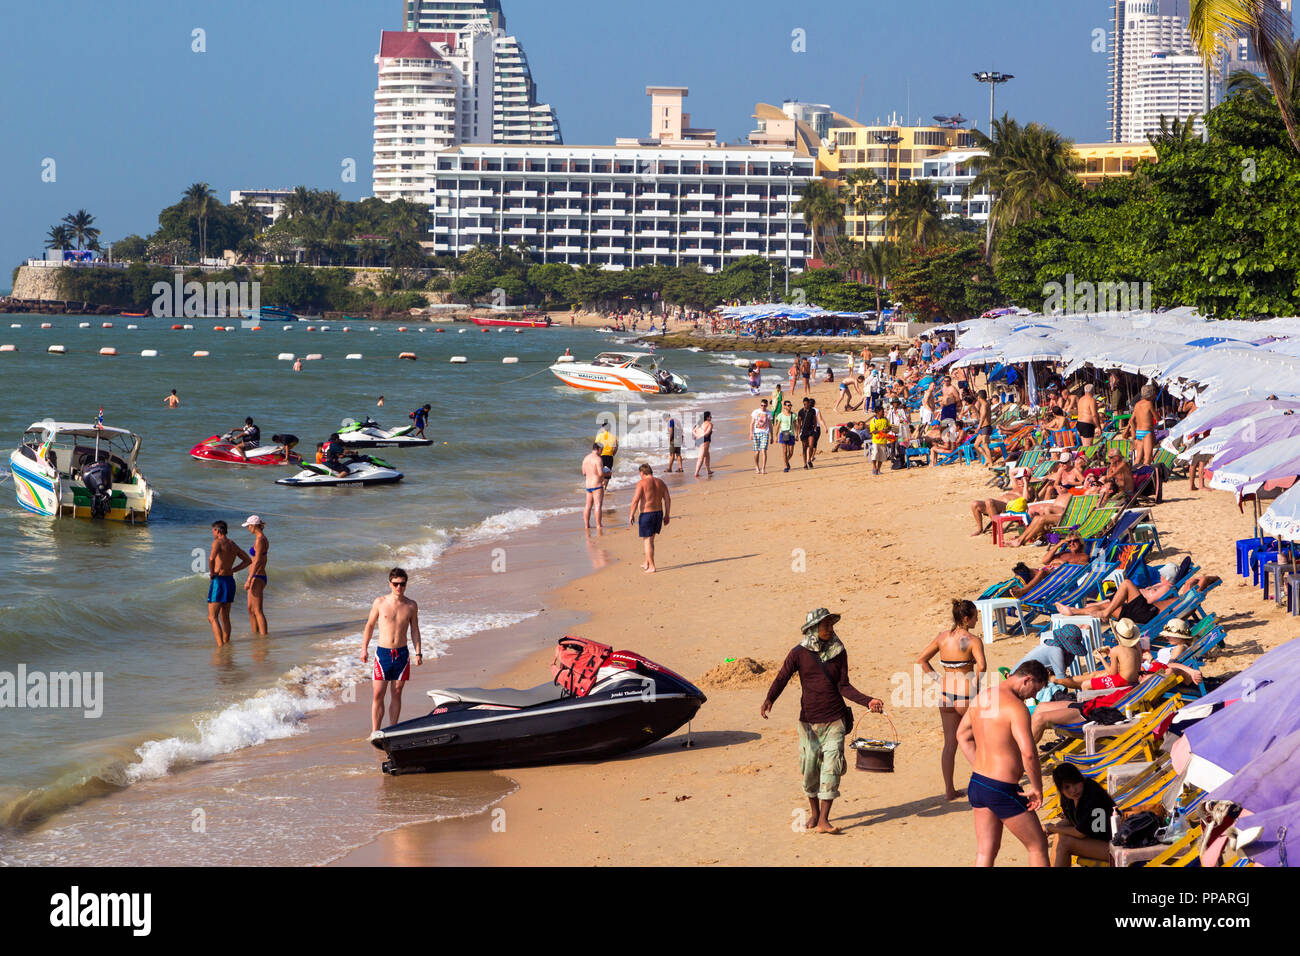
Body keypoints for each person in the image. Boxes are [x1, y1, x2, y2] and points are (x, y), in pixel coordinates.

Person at [761, 608, 884, 834]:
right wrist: (770, 698)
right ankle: (815, 812)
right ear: (812, 629)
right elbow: (782, 677)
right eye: (825, 625)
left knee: (831, 768)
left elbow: (843, 685)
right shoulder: (798, 653)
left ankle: (824, 820)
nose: (830, 629)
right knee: (809, 770)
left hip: (835, 720)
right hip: (808, 724)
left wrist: (868, 701)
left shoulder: (839, 651)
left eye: (831, 625)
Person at [956, 660, 1051, 867]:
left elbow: (962, 735)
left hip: (978, 783)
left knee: (985, 851)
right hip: (1002, 788)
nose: (1034, 696)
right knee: (1038, 845)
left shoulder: (982, 697)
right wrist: (1037, 787)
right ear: (1028, 680)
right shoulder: (1016, 708)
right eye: (1036, 689)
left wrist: (980, 768)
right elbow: (1028, 753)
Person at [917, 600, 987, 801]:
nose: (977, 619)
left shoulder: (942, 638)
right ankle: (983, 784)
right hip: (966, 694)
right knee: (977, 740)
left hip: (946, 695)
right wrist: (978, 686)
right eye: (975, 616)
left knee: (950, 744)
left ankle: (949, 790)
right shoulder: (972, 640)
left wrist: (938, 679)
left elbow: (922, 659)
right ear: (966, 619)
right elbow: (981, 666)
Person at [361, 568, 424, 735]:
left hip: (402, 654)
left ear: (406, 585)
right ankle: (375, 732)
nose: (399, 587)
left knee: (396, 693)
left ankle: (393, 729)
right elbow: (369, 625)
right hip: (383, 654)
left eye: (402, 584)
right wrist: (364, 649)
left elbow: (415, 630)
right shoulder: (380, 602)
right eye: (395, 584)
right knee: (378, 694)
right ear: (390, 584)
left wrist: (418, 653)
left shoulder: (411, 605)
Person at [1045, 763, 1115, 867]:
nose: (1073, 790)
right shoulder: (1067, 799)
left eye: (1075, 783)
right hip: (1096, 842)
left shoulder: (1092, 793)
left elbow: (1080, 833)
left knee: (1065, 842)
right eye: (1067, 787)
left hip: (1115, 846)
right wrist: (1052, 828)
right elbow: (1072, 820)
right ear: (1061, 789)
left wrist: (1051, 828)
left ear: (1081, 779)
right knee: (1060, 833)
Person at [207, 520, 251, 647]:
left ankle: (221, 647)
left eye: (213, 531)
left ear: (217, 530)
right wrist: (233, 570)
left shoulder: (217, 542)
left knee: (212, 617)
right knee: (225, 616)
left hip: (219, 581)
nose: (212, 533)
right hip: (230, 581)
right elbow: (248, 560)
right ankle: (226, 644)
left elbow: (211, 559)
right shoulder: (233, 544)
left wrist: (212, 573)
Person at [1008, 533, 1089, 597]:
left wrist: (1061, 562)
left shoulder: (1083, 556)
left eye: (1075, 540)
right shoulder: (1064, 553)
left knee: (1041, 572)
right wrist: (1058, 545)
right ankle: (1008, 589)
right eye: (1069, 542)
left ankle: (1022, 591)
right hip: (1047, 570)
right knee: (1023, 570)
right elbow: (1045, 560)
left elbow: (1084, 565)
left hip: (1058, 575)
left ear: (1080, 542)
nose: (1072, 543)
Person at [628, 463, 671, 573]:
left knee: (648, 541)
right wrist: (667, 515)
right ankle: (647, 562)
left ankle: (652, 566)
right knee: (650, 540)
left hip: (647, 515)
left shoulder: (642, 483)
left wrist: (631, 514)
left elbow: (635, 500)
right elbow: (667, 499)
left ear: (642, 473)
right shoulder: (660, 482)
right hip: (658, 513)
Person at [241, 516, 270, 635]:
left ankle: (263, 639)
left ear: (253, 526)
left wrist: (249, 578)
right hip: (256, 576)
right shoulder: (260, 538)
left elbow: (258, 561)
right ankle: (255, 636)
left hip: (257, 576)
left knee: (257, 610)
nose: (248, 528)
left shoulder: (260, 540)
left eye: (248, 526)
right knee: (250, 609)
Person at [1131, 383, 1157, 466]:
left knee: (1138, 458)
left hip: (1139, 432)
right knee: (1147, 458)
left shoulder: (1137, 405)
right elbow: (1157, 418)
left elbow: (1131, 421)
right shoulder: (1149, 404)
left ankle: (1134, 473)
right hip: (1147, 432)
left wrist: (1133, 432)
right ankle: (1146, 476)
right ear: (1151, 394)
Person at [581, 442, 605, 530]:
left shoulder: (586, 458)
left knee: (587, 506)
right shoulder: (598, 459)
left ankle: (586, 525)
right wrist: (608, 472)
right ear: (599, 449)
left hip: (588, 485)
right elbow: (600, 473)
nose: (602, 452)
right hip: (597, 485)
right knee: (598, 505)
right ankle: (598, 525)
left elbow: (583, 473)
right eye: (601, 450)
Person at [773, 400, 798, 472]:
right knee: (784, 451)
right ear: (784, 406)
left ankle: (786, 461)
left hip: (791, 434)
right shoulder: (780, 415)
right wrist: (775, 436)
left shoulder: (793, 415)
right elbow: (778, 426)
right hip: (783, 433)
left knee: (791, 452)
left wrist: (797, 434)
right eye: (788, 405)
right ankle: (786, 466)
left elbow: (796, 425)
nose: (790, 406)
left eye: (790, 405)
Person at [868, 405, 891, 476]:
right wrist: (882, 431)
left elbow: (889, 427)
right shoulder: (873, 421)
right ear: (877, 412)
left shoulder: (885, 419)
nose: (883, 412)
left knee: (881, 456)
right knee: (875, 454)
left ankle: (878, 469)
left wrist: (887, 430)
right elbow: (873, 431)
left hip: (883, 440)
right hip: (876, 440)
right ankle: (874, 467)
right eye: (882, 411)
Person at [595, 420, 619, 488]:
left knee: (600, 472)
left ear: (603, 428)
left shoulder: (599, 436)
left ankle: (599, 486)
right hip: (609, 456)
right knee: (608, 474)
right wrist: (613, 454)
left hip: (601, 456)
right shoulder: (614, 436)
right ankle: (605, 488)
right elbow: (616, 447)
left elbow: (596, 446)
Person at [750, 398, 771, 474]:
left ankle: (763, 468)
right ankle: (756, 467)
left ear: (767, 406)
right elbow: (752, 423)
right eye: (762, 405)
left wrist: (772, 435)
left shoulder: (769, 413)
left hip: (765, 433)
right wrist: (751, 433)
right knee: (757, 452)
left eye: (765, 406)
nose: (763, 407)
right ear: (760, 405)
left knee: (763, 451)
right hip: (756, 433)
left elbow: (770, 425)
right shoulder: (756, 412)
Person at [796, 397, 819, 469]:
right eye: (804, 404)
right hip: (804, 431)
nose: (806, 405)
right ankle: (805, 463)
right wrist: (798, 433)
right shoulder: (800, 412)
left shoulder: (812, 411)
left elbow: (815, 419)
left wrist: (815, 428)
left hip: (811, 430)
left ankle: (809, 460)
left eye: (807, 404)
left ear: (809, 403)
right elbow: (799, 423)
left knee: (811, 445)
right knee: (804, 448)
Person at [692, 411, 713, 478]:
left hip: (698, 441)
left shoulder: (699, 423)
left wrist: (697, 436)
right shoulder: (709, 424)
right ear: (707, 417)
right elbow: (707, 433)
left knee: (707, 455)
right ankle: (696, 472)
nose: (711, 417)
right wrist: (701, 436)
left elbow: (693, 431)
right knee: (701, 457)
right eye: (710, 416)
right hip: (704, 441)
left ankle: (708, 470)